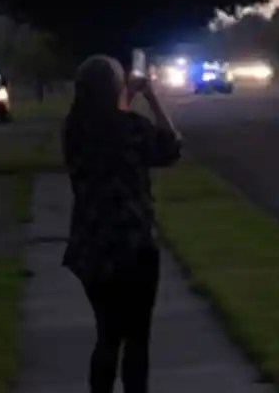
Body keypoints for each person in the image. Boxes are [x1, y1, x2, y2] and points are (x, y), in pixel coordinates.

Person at [63, 55, 182, 393]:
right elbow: (171, 148)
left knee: (107, 334)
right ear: (115, 88)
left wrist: (124, 96)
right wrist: (152, 96)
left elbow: (109, 123)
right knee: (137, 338)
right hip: (134, 246)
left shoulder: (74, 130)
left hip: (92, 246)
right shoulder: (133, 129)